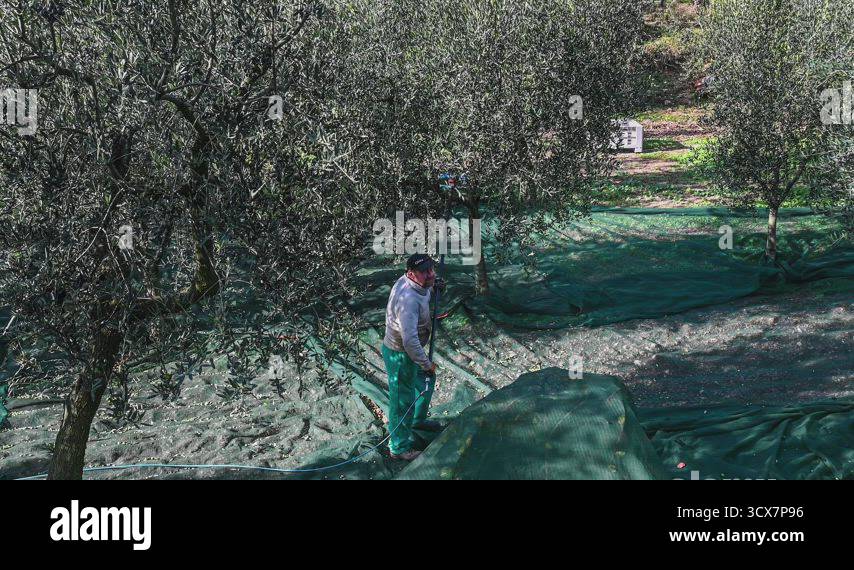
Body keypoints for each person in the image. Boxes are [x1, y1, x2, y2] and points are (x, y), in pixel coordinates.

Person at [382, 253, 445, 461]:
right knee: (402, 401)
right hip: (400, 355)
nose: (430, 274)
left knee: (426, 380)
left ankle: (417, 420)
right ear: (411, 274)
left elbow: (427, 288)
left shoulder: (420, 283)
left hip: (411, 350)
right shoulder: (408, 301)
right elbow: (409, 342)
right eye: (424, 272)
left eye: (432, 269)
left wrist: (435, 288)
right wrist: (426, 363)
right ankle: (399, 448)